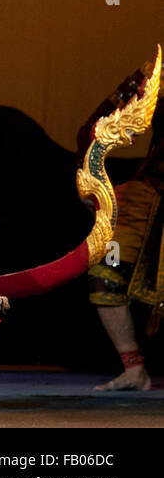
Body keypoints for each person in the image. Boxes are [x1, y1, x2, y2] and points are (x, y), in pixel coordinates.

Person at [80, 61, 163, 391]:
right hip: (148, 195)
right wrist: (91, 180)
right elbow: (91, 129)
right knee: (104, 273)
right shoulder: (153, 76)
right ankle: (134, 368)